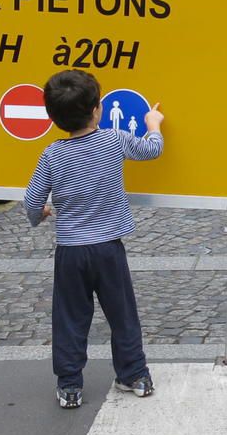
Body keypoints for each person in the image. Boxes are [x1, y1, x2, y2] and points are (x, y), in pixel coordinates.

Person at [24, 70, 165, 410]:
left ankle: (70, 385)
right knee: (122, 314)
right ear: (97, 110)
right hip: (108, 249)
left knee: (71, 318)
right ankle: (135, 375)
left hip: (71, 251)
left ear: (53, 117)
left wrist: (39, 215)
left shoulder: (52, 154)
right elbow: (151, 150)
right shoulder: (114, 140)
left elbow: (32, 200)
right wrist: (155, 122)